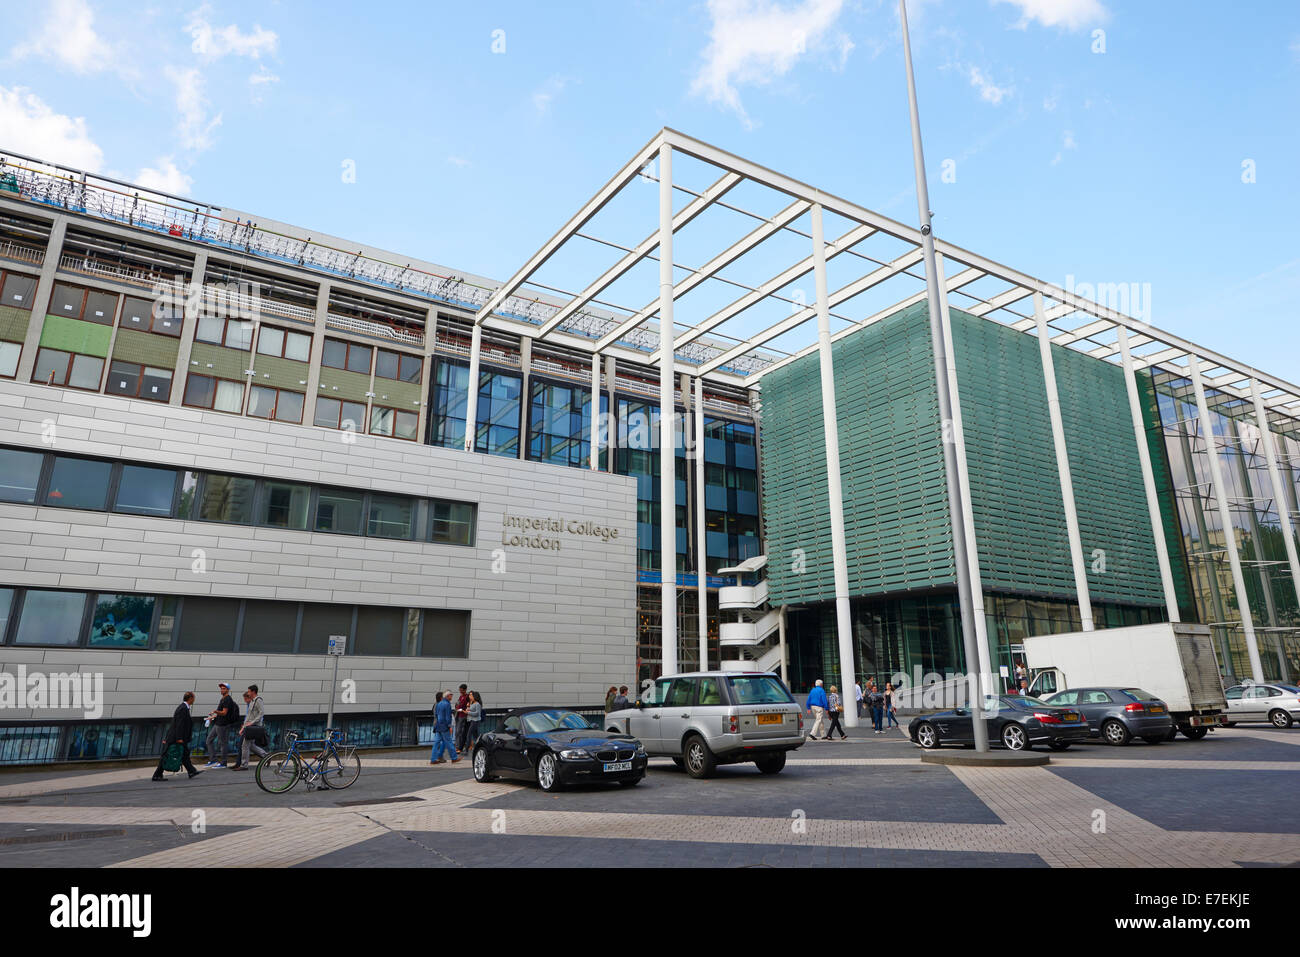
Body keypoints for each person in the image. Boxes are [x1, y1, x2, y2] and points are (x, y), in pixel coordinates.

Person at [153, 691, 201, 781]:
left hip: (177, 737)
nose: (194, 700)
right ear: (190, 698)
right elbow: (179, 724)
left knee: (184, 754)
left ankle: (191, 771)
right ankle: (157, 775)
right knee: (168, 755)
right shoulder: (183, 709)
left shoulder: (184, 708)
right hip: (176, 738)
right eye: (194, 698)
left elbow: (173, 723)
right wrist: (179, 738)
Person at [231, 685, 268, 771]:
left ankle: (244, 765)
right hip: (249, 726)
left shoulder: (258, 700)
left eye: (249, 691)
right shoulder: (252, 701)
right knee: (250, 745)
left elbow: (261, 713)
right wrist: (243, 727)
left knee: (245, 745)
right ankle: (266, 756)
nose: (248, 693)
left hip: (254, 726)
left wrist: (252, 722)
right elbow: (248, 716)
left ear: (253, 692)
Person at [204, 681, 238, 768]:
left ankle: (223, 763)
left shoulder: (227, 699)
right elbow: (221, 713)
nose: (222, 690)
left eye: (224, 688)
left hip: (223, 725)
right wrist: (212, 717)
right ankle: (213, 760)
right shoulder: (223, 699)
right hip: (218, 723)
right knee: (209, 740)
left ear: (228, 690)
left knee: (223, 743)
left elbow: (224, 713)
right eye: (221, 688)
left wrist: (215, 711)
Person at [430, 691, 459, 764]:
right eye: (451, 695)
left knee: (436, 742)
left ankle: (433, 759)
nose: (452, 697)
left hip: (438, 725)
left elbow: (436, 715)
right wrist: (449, 726)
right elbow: (448, 716)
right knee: (449, 742)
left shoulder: (438, 704)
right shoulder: (447, 704)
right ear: (447, 696)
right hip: (444, 726)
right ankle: (454, 758)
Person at [454, 684, 470, 753]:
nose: (460, 691)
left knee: (460, 732)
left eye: (461, 690)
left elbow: (465, 706)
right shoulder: (461, 697)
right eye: (459, 690)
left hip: (464, 716)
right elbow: (457, 704)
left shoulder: (467, 697)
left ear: (465, 690)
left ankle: (459, 747)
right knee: (458, 732)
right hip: (459, 715)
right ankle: (458, 746)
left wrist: (460, 707)